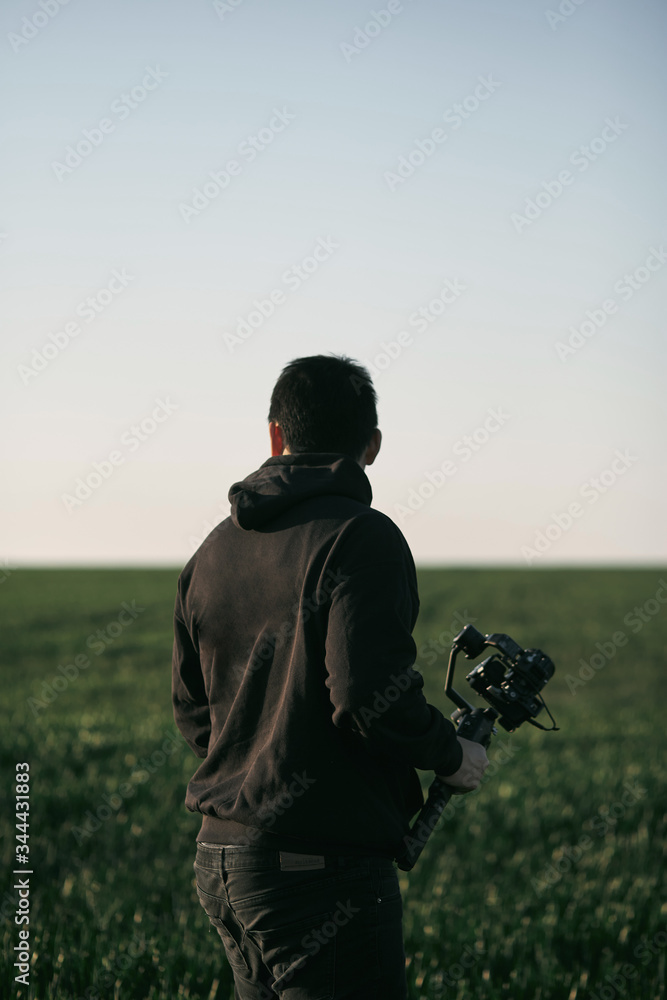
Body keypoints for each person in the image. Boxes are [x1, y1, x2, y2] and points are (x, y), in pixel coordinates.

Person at [172, 353, 488, 1000]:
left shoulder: (210, 551)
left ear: (273, 435)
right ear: (371, 446)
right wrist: (450, 754)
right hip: (316, 874)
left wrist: (262, 771)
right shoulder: (361, 538)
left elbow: (193, 713)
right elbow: (368, 698)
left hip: (219, 863)